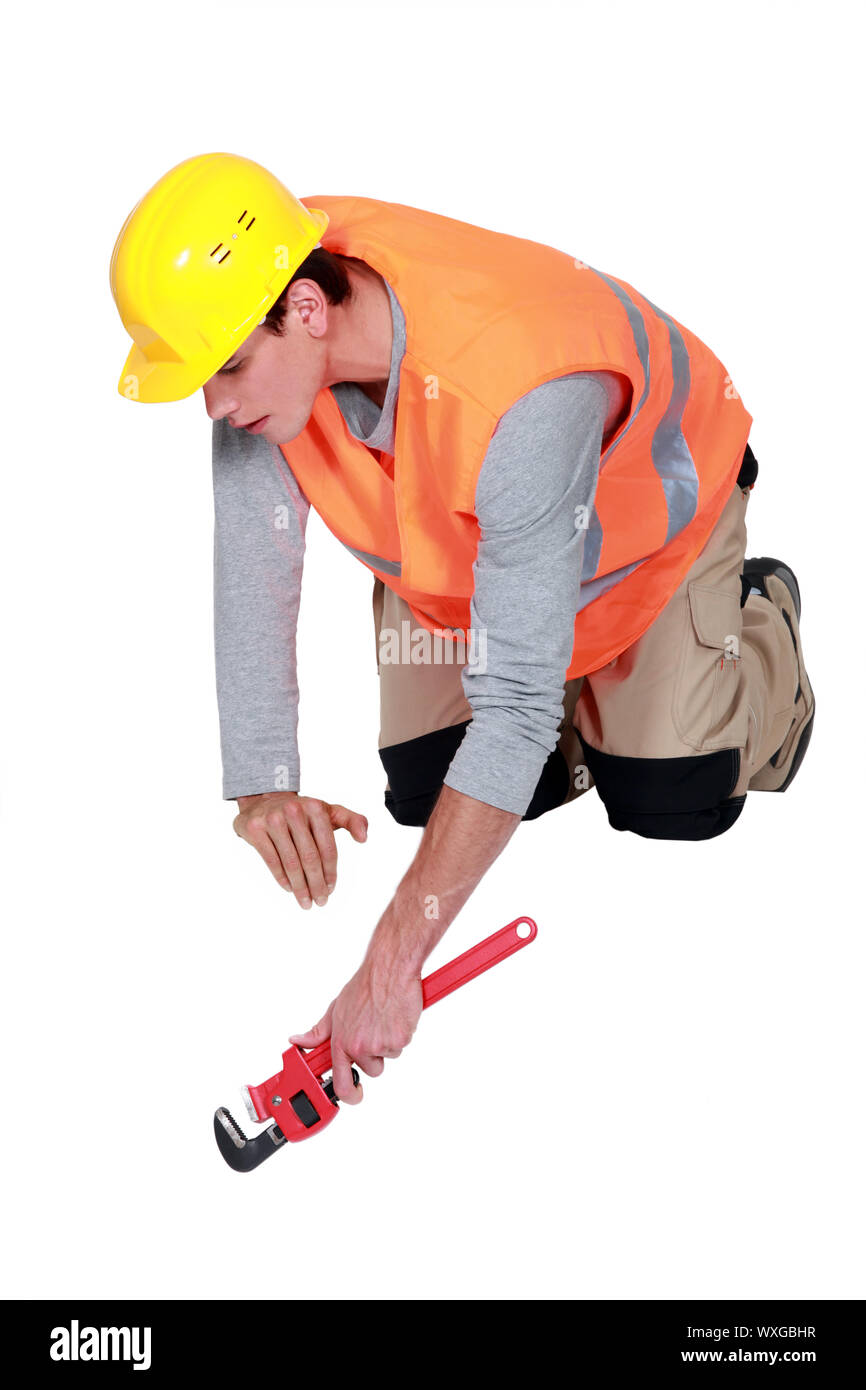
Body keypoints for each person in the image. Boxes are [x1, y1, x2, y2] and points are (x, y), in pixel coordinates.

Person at [110, 152, 815, 1108]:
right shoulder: (263, 290)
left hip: (649, 529)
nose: (219, 406)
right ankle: (574, 687)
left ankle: (759, 624)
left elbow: (514, 714)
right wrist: (264, 784)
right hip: (465, 551)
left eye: (226, 372)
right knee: (437, 791)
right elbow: (253, 554)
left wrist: (392, 962)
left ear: (308, 312)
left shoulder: (514, 384)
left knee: (671, 797)